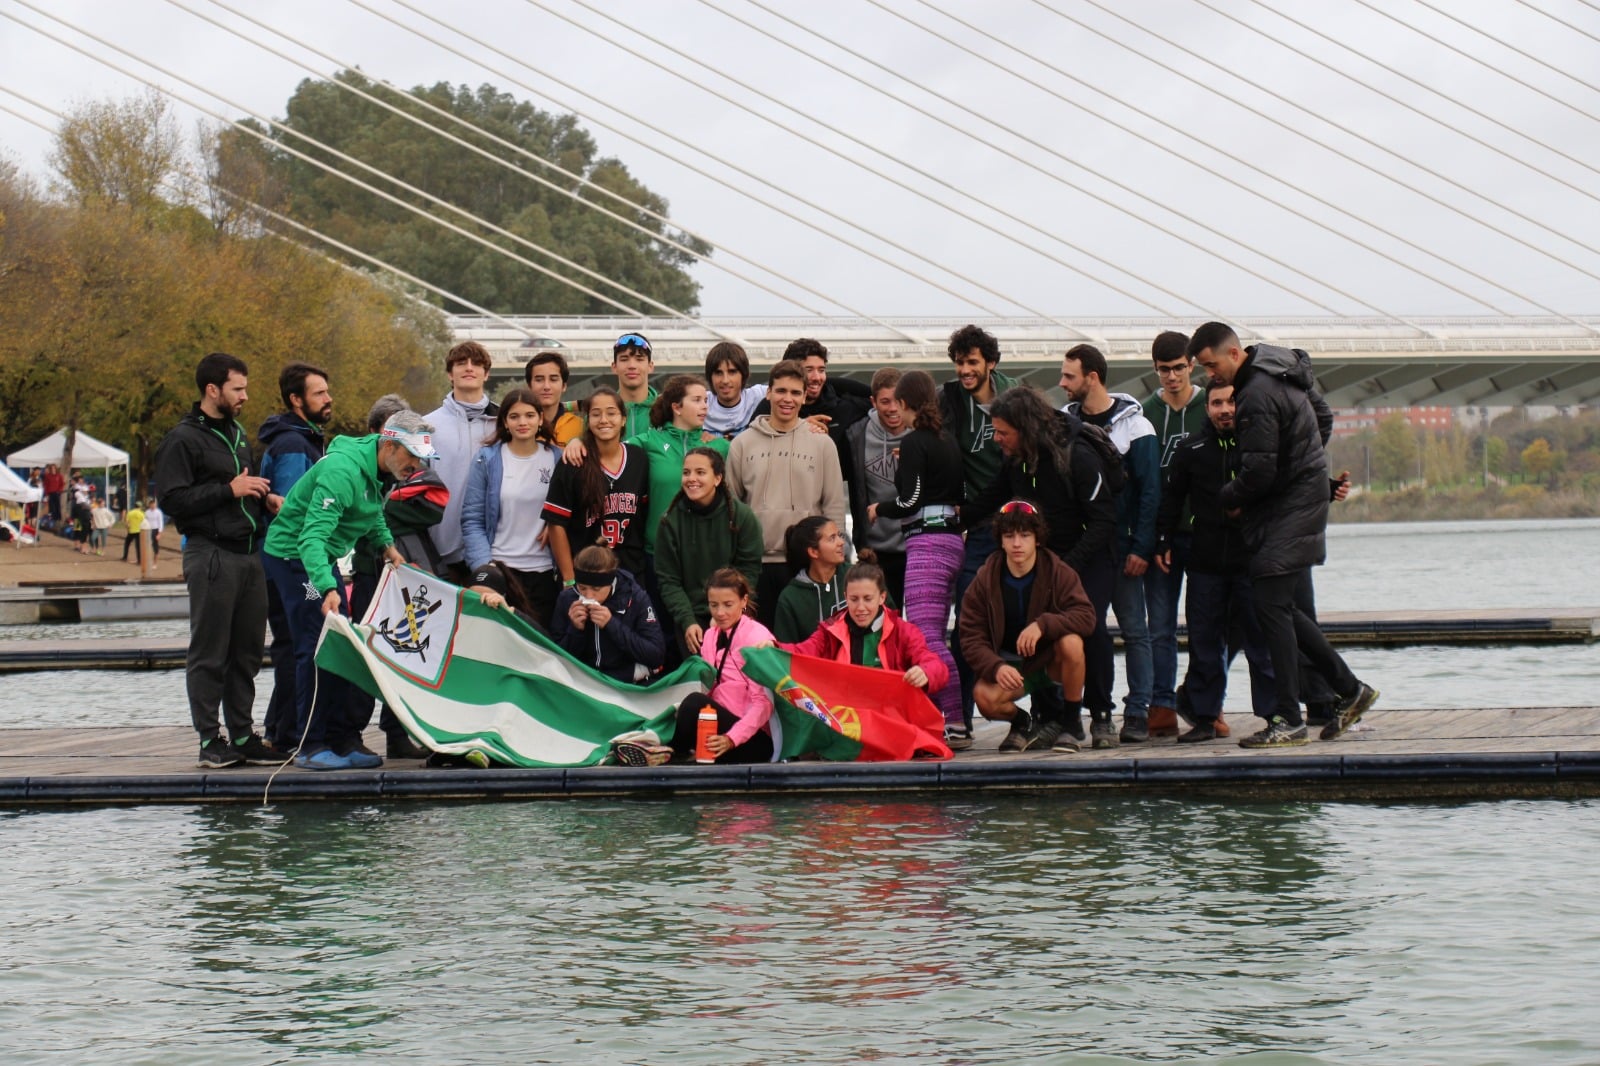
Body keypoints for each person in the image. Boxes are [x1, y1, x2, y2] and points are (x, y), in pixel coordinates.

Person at [1188, 321, 1378, 747]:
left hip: (1286, 512)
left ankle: (1289, 719)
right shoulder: (1282, 374)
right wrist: (1306, 469)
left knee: (1271, 609)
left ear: (1234, 354)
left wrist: (1227, 496)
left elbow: (1258, 471)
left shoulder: (1254, 394)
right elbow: (1321, 419)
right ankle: (1349, 691)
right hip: (1300, 504)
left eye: (1211, 365)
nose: (1209, 375)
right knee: (1282, 608)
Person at [261, 411, 432, 770]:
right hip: (296, 558)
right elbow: (310, 539)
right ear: (389, 445)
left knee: (341, 643)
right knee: (316, 645)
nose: (415, 465)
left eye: (421, 458)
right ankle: (309, 744)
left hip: (321, 559)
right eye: (411, 456)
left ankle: (339, 737)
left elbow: (371, 513)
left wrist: (388, 547)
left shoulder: (378, 470)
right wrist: (326, 587)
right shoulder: (342, 472)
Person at [963, 385, 1118, 747]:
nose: (997, 438)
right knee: (1040, 631)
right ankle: (1050, 717)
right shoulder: (1016, 458)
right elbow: (990, 499)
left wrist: (1067, 566)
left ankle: (1100, 715)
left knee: (1088, 629)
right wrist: (948, 519)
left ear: (1026, 428)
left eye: (1003, 431)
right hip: (1043, 553)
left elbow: (1104, 520)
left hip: (1089, 554)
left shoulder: (1076, 455)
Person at [152, 351, 286, 769]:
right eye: (238, 388)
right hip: (210, 554)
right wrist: (229, 490)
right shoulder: (182, 439)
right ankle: (210, 740)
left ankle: (242, 734)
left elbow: (242, 490)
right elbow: (171, 500)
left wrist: (266, 498)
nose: (245, 395)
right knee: (210, 651)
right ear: (213, 390)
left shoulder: (237, 433)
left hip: (249, 555)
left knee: (247, 652)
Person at [1155, 382, 1266, 742]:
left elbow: (1290, 483)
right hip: (1205, 562)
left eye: (1232, 401)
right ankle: (1204, 717)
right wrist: (1163, 540)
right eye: (1217, 403)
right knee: (1203, 641)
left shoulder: (1258, 447)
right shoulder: (1191, 450)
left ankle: (1276, 716)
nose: (1225, 409)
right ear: (1208, 408)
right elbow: (1172, 499)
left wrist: (1327, 487)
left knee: (1259, 642)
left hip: (1251, 559)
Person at [1060, 343, 1159, 743]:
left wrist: (1141, 547)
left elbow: (1151, 492)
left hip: (1125, 548)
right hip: (1088, 549)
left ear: (1092, 377)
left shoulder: (1137, 427)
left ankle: (1137, 713)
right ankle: (1089, 711)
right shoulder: (1065, 424)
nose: (1062, 383)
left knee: (1136, 631)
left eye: (1069, 376)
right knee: (1090, 628)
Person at [866, 370, 965, 743]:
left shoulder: (913, 442)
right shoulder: (948, 440)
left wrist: (880, 509)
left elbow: (911, 500)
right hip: (953, 540)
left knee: (927, 637)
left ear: (905, 404)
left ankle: (954, 719)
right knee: (937, 633)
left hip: (926, 544)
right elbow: (950, 490)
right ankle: (944, 716)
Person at [347, 394, 447, 760]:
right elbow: (359, 519)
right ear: (378, 435)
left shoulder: (403, 472)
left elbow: (433, 504)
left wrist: (382, 513)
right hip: (370, 573)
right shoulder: (356, 472)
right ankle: (351, 732)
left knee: (406, 652)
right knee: (366, 650)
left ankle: (398, 730)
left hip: (407, 571)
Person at [959, 501, 1096, 753]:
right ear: (1000, 541)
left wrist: (1043, 625)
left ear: (1037, 539)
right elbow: (969, 636)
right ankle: (1022, 723)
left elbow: (1086, 616)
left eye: (1025, 535)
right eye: (1009, 536)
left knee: (1072, 643)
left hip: (1048, 661)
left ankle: (1071, 722)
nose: (1017, 544)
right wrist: (995, 666)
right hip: (1011, 666)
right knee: (983, 696)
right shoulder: (984, 580)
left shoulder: (1058, 571)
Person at [941, 324, 1022, 732]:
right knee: (968, 616)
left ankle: (1035, 715)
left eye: (972, 362)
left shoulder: (1014, 397)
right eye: (959, 362)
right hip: (975, 524)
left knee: (1022, 615)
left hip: (1014, 522)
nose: (964, 370)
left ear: (990, 363)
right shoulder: (950, 398)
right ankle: (960, 717)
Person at [726, 359, 848, 624]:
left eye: (795, 393)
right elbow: (732, 507)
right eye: (781, 391)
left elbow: (834, 504)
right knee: (761, 645)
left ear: (805, 397)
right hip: (755, 564)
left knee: (807, 648)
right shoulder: (742, 444)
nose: (787, 399)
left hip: (807, 563)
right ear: (768, 393)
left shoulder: (822, 444)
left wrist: (836, 557)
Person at [258, 361, 333, 753]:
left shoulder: (304, 439)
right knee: (305, 639)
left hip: (290, 563)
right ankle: (299, 736)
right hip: (292, 565)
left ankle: (280, 732)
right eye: (319, 392)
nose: (328, 398)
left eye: (326, 391)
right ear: (296, 399)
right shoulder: (291, 444)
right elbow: (289, 511)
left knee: (292, 642)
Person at [1142, 331, 1208, 737]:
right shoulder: (1146, 413)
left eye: (1178, 368)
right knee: (1160, 627)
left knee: (1206, 627)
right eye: (1164, 370)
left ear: (1192, 365)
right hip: (1159, 539)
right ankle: (1162, 705)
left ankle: (1206, 705)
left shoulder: (1211, 405)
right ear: (1156, 370)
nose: (1172, 377)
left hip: (1203, 536)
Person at [462, 387, 562, 628]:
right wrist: (486, 566)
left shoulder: (558, 459)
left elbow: (573, 512)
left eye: (529, 415)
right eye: (514, 416)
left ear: (540, 418)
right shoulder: (486, 459)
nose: (522, 422)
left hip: (545, 573)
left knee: (541, 647)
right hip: (500, 572)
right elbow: (472, 519)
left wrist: (556, 524)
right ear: (505, 422)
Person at [779, 561, 948, 697]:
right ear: (845, 597)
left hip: (890, 718)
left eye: (868, 599)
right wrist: (773, 648)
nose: (860, 607)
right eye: (854, 599)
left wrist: (925, 672)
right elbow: (800, 653)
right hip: (845, 718)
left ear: (882, 597)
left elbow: (937, 666)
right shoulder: (830, 631)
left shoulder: (903, 631)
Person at [655, 447, 764, 657]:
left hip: (734, 613)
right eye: (686, 472)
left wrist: (725, 613)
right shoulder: (669, 521)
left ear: (717, 478)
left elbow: (749, 571)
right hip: (691, 615)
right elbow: (668, 580)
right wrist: (687, 621)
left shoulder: (742, 517)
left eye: (700, 472)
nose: (691, 478)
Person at [542, 386, 651, 583]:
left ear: (623, 419)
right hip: (585, 574)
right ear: (588, 421)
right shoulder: (573, 462)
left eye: (611, 413)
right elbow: (556, 524)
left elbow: (642, 517)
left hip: (631, 573)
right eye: (596, 414)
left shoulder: (638, 459)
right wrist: (569, 578)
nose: (604, 420)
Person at [670, 568, 776, 764]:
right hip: (716, 727)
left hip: (754, 739)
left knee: (694, 702)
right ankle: (673, 752)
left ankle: (671, 753)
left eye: (728, 605)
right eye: (713, 605)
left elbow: (764, 704)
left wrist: (731, 739)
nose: (720, 613)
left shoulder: (757, 637)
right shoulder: (710, 636)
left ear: (743, 601)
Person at [625, 375, 730, 558]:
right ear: (676, 407)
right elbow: (608, 451)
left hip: (706, 554)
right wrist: (577, 443)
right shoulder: (649, 442)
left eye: (705, 400)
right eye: (696, 400)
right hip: (657, 553)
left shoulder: (720, 447)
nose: (705, 406)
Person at [426, 341, 499, 581]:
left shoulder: (503, 423)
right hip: (441, 551)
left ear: (486, 374)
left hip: (494, 549)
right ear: (450, 374)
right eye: (461, 363)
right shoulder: (427, 426)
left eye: (477, 364)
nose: (469, 368)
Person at [550, 545, 666, 683]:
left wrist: (612, 624)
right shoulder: (567, 599)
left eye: (596, 589)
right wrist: (575, 630)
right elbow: (555, 658)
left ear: (610, 583)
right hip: (582, 682)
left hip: (625, 683)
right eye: (582, 588)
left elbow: (656, 655)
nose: (588, 595)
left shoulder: (635, 598)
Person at [846, 367, 909, 605]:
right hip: (874, 550)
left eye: (899, 401)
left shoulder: (924, 434)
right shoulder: (857, 434)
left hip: (915, 545)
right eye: (885, 401)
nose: (893, 409)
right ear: (873, 401)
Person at [772, 516, 848, 643]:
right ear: (813, 552)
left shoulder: (857, 577)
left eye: (839, 535)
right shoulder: (790, 598)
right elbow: (786, 651)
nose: (841, 542)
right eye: (832, 538)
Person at [703, 340, 767, 439]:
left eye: (732, 372)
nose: (725, 380)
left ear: (744, 374)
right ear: (710, 377)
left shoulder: (759, 395)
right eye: (718, 373)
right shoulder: (700, 402)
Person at [523, 350, 585, 446]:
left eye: (553, 379)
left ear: (564, 386)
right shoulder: (519, 426)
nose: (546, 386)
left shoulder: (581, 427)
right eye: (539, 380)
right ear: (529, 386)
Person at [611, 332, 659, 439]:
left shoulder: (667, 410)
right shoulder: (601, 412)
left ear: (650, 366)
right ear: (614, 367)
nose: (632, 366)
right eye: (624, 359)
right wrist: (576, 440)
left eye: (639, 359)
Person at [121, 498, 145, 564]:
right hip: (139, 531)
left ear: (134, 506)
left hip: (131, 531)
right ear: (140, 507)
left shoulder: (130, 513)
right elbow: (144, 523)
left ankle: (125, 557)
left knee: (127, 544)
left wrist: (128, 529)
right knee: (138, 546)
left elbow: (127, 523)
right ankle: (139, 560)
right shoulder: (142, 514)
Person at [144, 499, 164, 564]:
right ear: (149, 505)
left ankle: (155, 562)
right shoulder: (147, 512)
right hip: (148, 530)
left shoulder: (158, 512)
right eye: (151, 505)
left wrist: (159, 533)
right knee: (147, 545)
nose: (153, 506)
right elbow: (145, 521)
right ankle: (147, 560)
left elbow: (160, 522)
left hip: (155, 530)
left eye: (154, 504)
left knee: (155, 546)